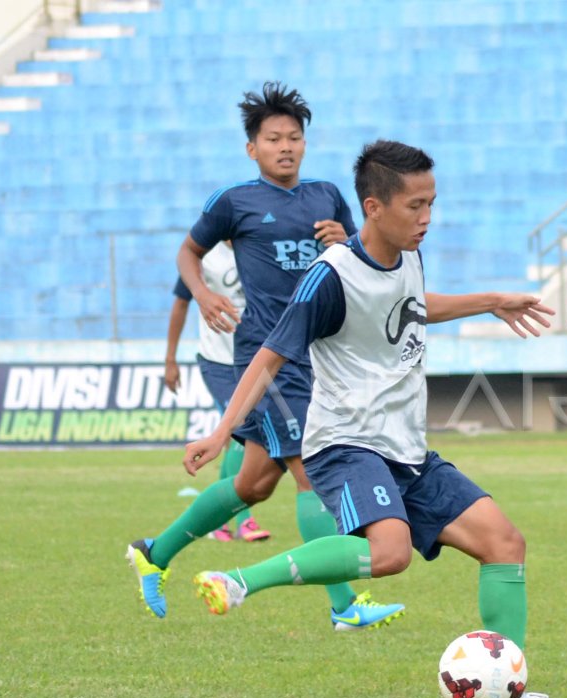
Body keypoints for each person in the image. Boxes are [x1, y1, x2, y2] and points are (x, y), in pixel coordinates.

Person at [182, 140, 555, 698]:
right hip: (346, 442)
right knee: (390, 551)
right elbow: (269, 356)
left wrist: (488, 301)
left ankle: (510, 689)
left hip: (407, 448)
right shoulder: (331, 276)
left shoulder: (409, 254)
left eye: (432, 204)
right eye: (415, 206)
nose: (426, 218)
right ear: (374, 208)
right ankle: (239, 581)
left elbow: (411, 305)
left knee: (504, 543)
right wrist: (220, 432)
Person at [127, 81, 404, 630]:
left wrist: (344, 242)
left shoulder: (327, 195)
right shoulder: (234, 201)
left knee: (253, 484)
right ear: (252, 148)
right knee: (311, 470)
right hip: (268, 355)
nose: (285, 146)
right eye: (274, 138)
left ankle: (153, 553)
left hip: (319, 355)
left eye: (294, 137)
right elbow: (187, 252)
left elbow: (363, 263)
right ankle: (344, 606)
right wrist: (202, 294)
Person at [163, 241, 270, 542]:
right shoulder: (204, 255)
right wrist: (170, 359)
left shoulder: (259, 244)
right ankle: (245, 521)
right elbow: (181, 303)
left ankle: (218, 523)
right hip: (218, 362)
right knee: (240, 434)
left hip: (255, 360)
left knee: (243, 437)